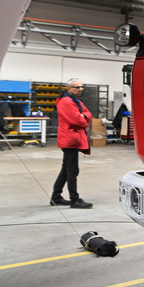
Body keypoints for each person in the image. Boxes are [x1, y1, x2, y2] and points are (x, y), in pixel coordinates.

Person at [50, 78, 93, 208]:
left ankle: (56, 197)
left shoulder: (75, 101)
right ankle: (75, 200)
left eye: (81, 87)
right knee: (72, 170)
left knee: (66, 169)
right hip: (69, 139)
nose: (79, 89)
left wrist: (83, 116)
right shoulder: (66, 101)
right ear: (69, 88)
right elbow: (77, 120)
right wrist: (82, 117)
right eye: (76, 87)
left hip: (73, 138)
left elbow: (88, 115)